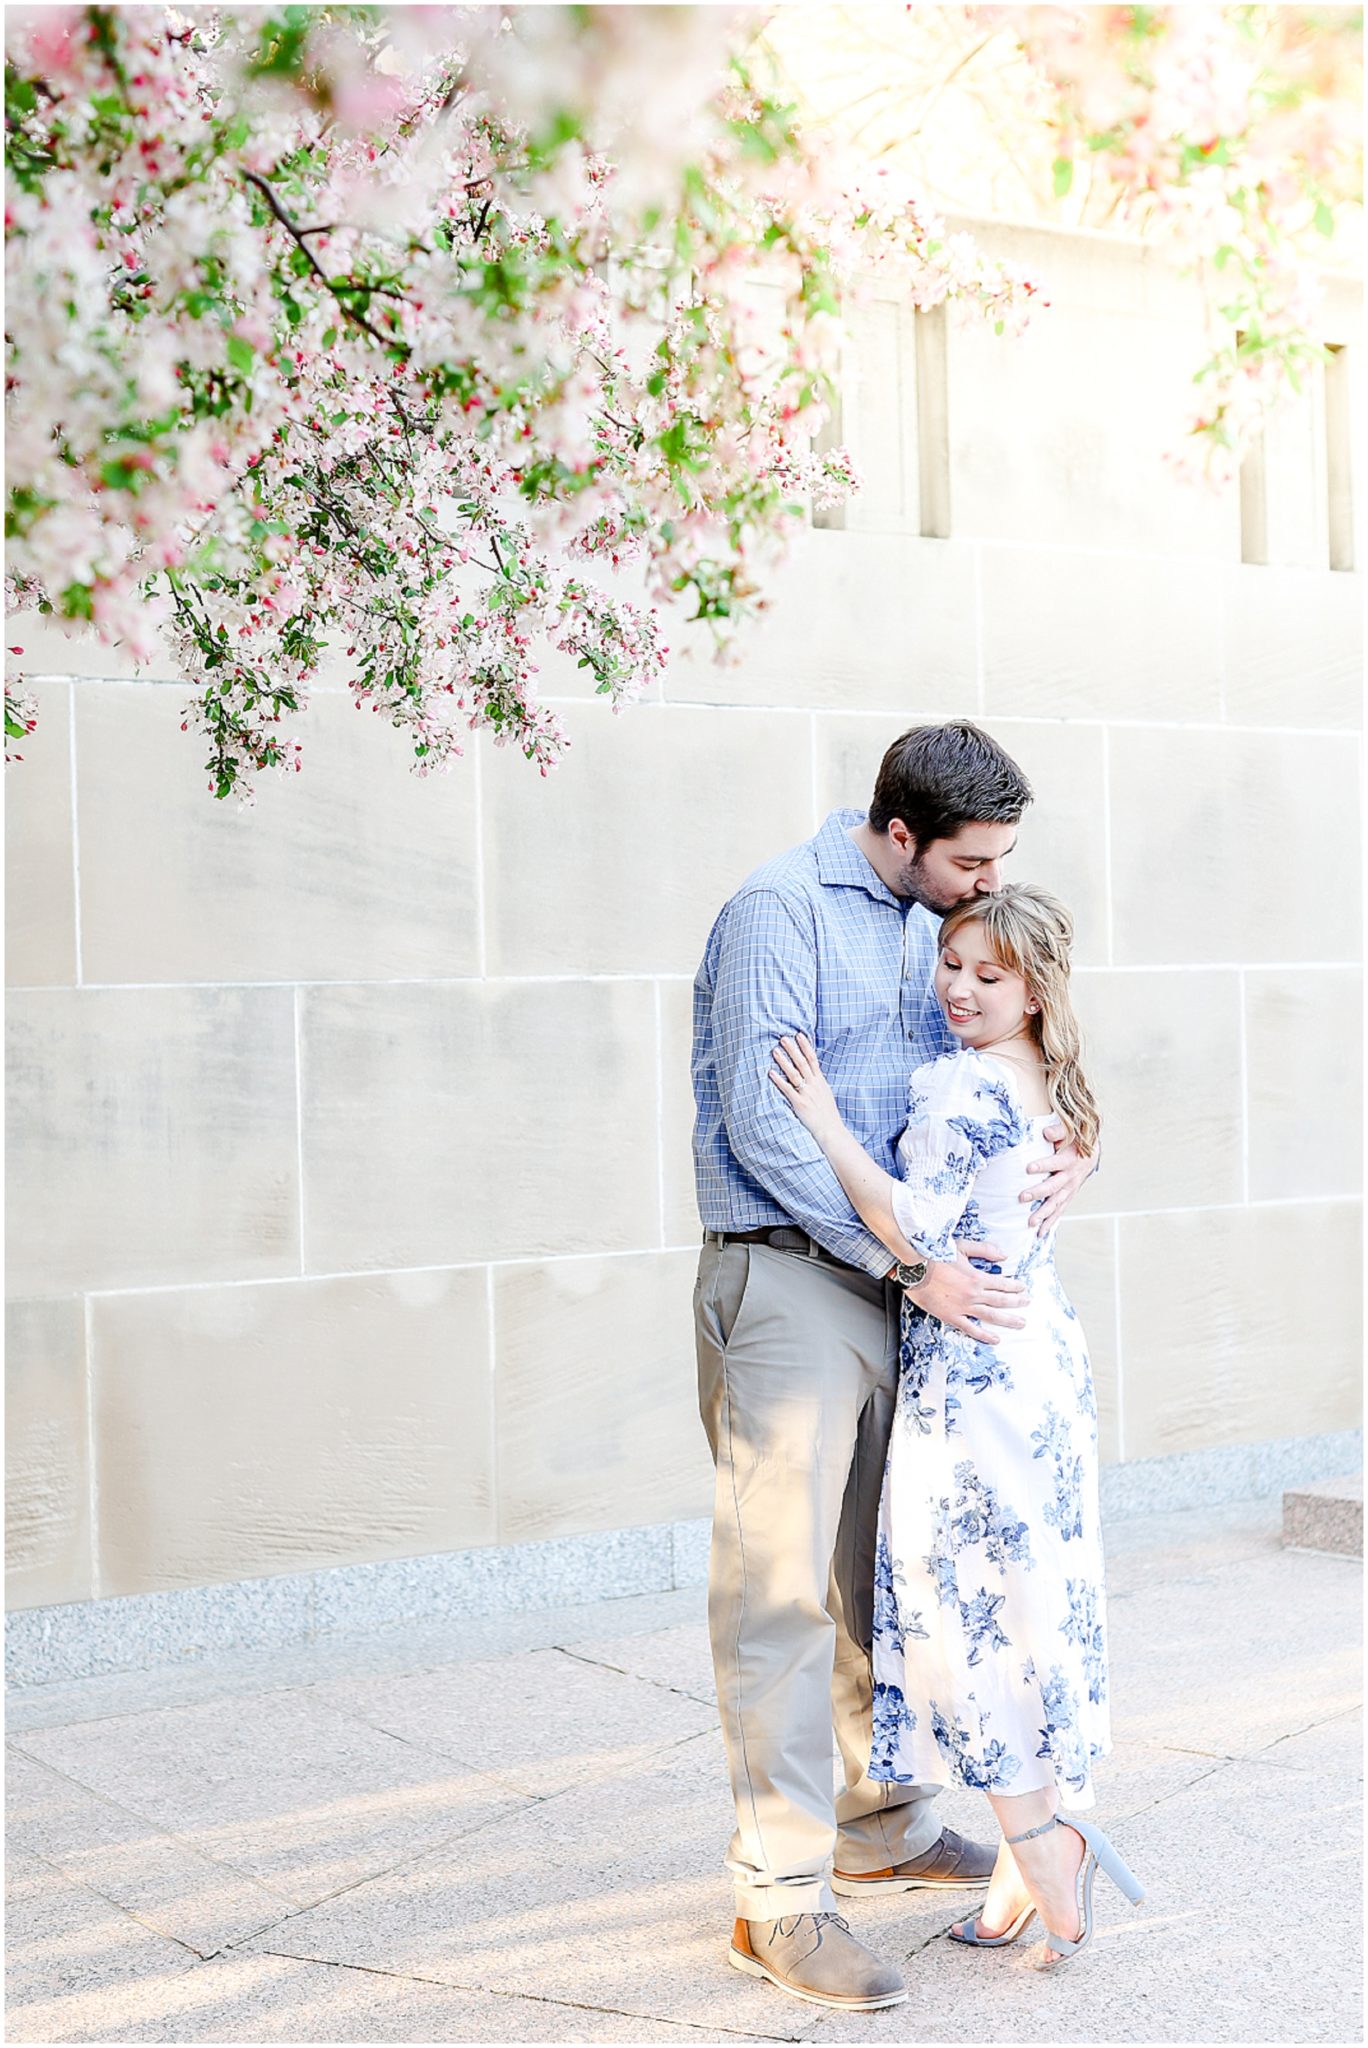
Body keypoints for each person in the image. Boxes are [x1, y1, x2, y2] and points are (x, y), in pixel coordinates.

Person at [691, 722, 1096, 2013]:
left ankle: (878, 1817)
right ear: (903, 835)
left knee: (885, 1575)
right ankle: (779, 1898)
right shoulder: (777, 912)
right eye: (972, 860)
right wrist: (912, 1260)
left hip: (912, 1288)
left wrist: (1076, 1141)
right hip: (797, 1273)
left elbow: (1016, 1036)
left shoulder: (941, 916)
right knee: (782, 1593)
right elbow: (766, 1118)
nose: (987, 882)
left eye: (1001, 863)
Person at [769, 884, 1142, 1973]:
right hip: (1042, 1362)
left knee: (967, 1610)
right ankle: (1027, 1870)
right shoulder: (1051, 1084)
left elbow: (912, 1220)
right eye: (952, 965)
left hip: (974, 1374)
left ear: (1035, 990)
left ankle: (1046, 1840)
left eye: (990, 973)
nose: (960, 988)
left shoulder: (961, 1084)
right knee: (1042, 1596)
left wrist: (825, 1119)